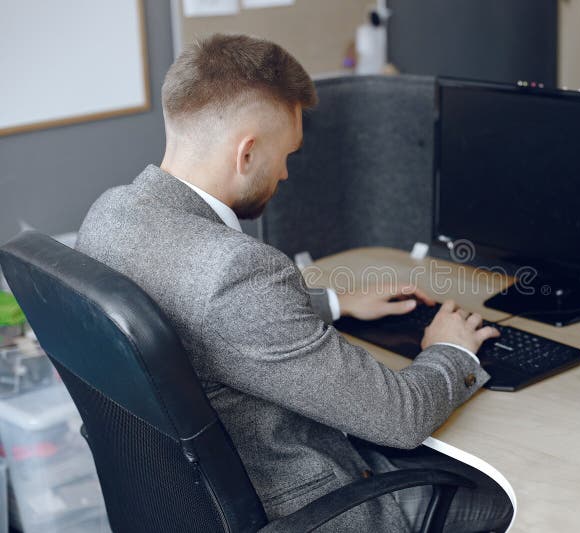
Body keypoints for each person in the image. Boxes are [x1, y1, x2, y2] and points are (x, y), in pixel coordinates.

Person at [76, 34, 512, 532]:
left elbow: (190, 304)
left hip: (178, 502)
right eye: (286, 154)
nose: (284, 174)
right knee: (508, 498)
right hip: (305, 509)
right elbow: (402, 418)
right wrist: (452, 350)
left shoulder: (111, 215)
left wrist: (334, 302)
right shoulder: (238, 273)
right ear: (247, 153)